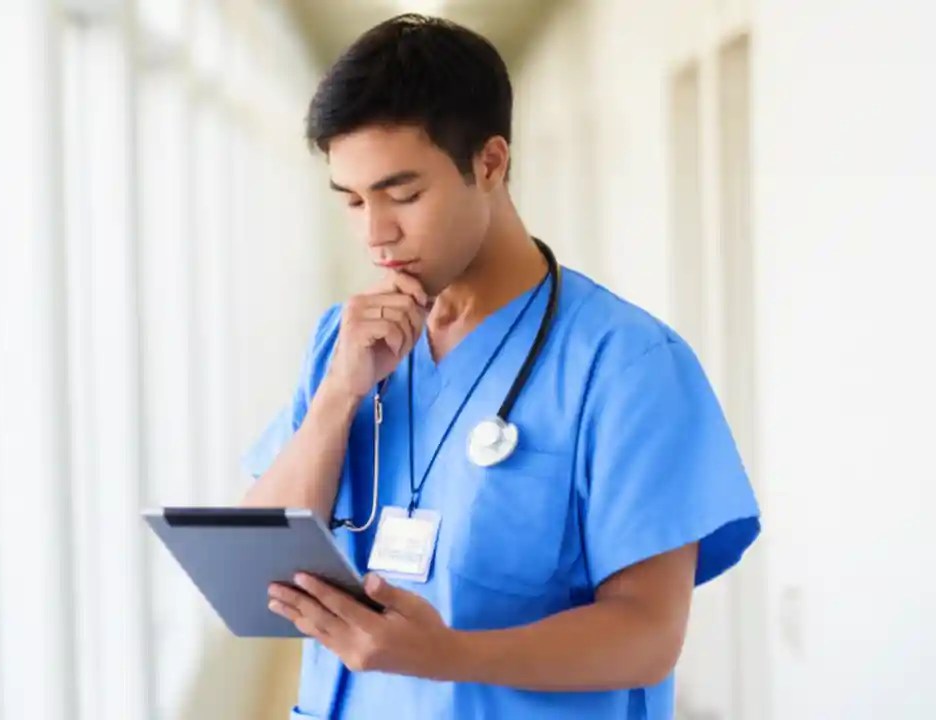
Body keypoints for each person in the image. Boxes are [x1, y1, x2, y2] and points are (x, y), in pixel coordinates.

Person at [239, 13, 760, 720]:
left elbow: (647, 633)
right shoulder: (346, 342)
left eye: (404, 194)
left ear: (489, 162)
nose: (376, 232)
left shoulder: (625, 365)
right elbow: (255, 575)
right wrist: (336, 397)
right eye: (354, 201)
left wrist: (443, 656)